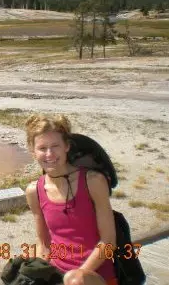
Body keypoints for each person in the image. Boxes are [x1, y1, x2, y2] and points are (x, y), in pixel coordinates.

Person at [25, 114, 118, 285]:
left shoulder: (93, 182)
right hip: (58, 273)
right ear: (32, 151)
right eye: (42, 148)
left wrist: (78, 275)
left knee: (75, 280)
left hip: (95, 276)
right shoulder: (34, 191)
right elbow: (44, 243)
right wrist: (38, 271)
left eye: (55, 146)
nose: (49, 154)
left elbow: (108, 241)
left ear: (67, 146)